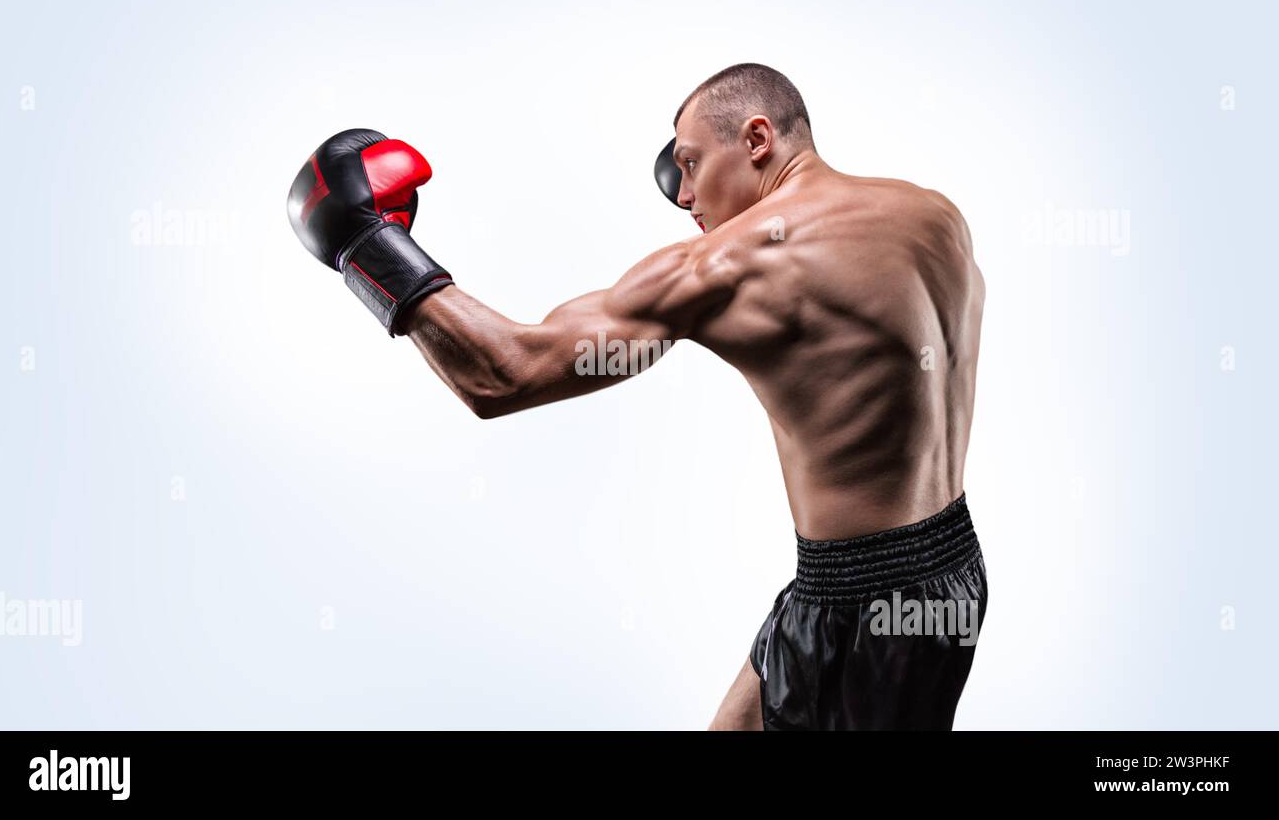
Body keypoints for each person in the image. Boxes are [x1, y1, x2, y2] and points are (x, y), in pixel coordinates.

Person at [288, 62, 988, 731]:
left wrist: (367, 241)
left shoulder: (731, 266)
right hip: (943, 565)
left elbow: (504, 374)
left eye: (689, 164)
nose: (683, 196)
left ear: (756, 138)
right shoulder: (935, 215)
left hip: (863, 610)